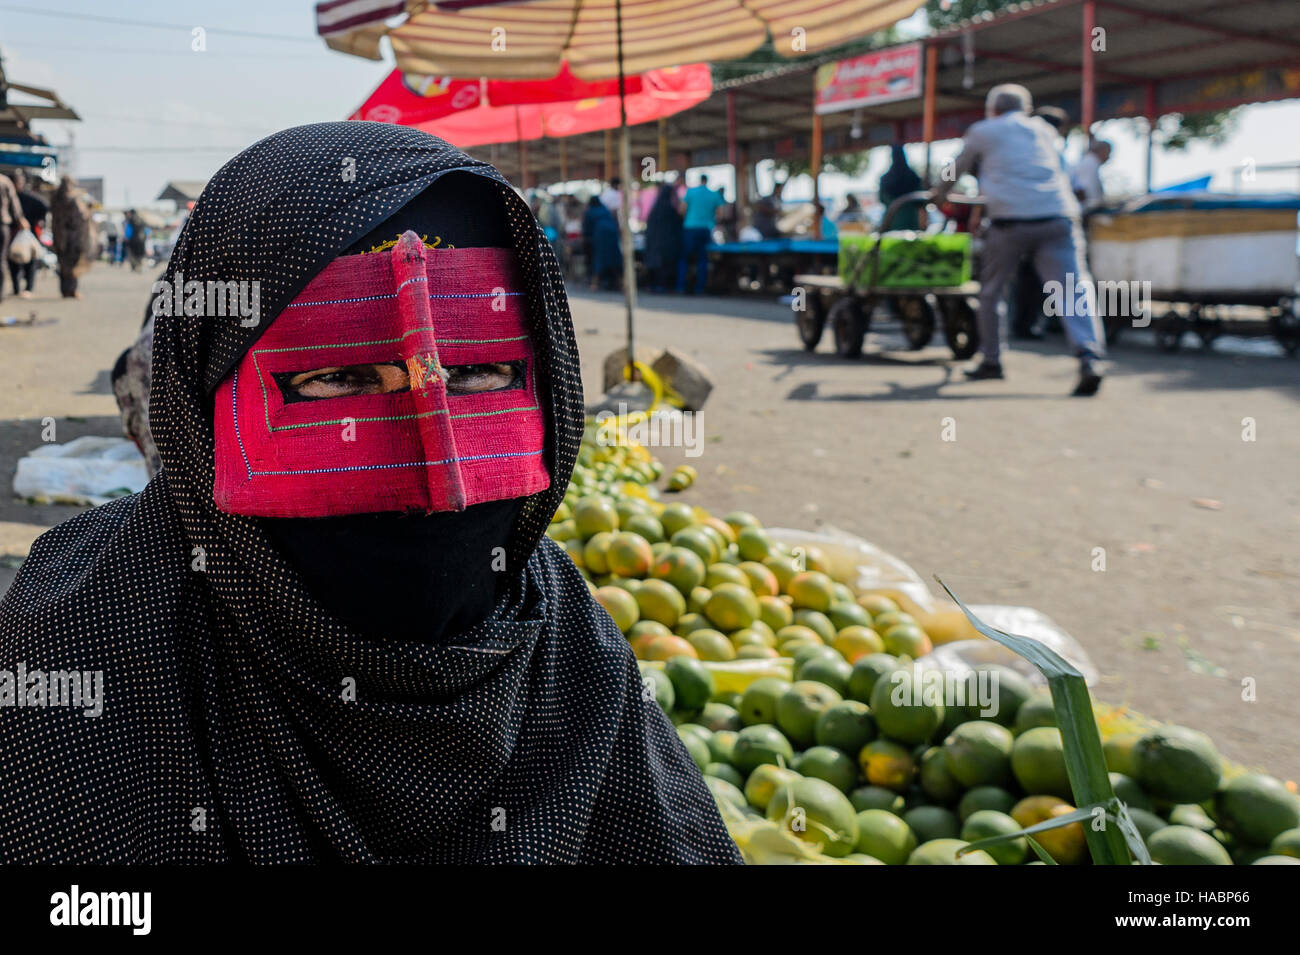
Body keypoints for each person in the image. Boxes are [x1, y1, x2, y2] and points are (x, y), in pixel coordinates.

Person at [0, 121, 743, 864]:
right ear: (201, 407)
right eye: (335, 379)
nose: (443, 487)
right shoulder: (81, 644)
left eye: (479, 374)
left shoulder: (569, 643)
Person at [938, 84, 1105, 396]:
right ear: (1026, 109)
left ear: (993, 110)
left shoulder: (982, 131)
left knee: (991, 291)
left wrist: (938, 196)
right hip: (1058, 217)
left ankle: (991, 361)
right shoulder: (1044, 131)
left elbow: (953, 170)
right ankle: (1089, 357)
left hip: (1009, 222)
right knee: (1072, 289)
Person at [676, 173, 725, 294]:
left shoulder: (691, 192)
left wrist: (688, 218)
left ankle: (681, 287)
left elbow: (682, 210)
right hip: (706, 229)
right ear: (707, 181)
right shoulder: (714, 194)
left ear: (699, 180)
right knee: (702, 259)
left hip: (690, 228)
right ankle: (700, 288)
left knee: (684, 258)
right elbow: (721, 214)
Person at [50, 176, 93, 299]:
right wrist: (88, 210)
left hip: (58, 235)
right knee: (73, 263)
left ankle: (64, 290)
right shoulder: (74, 199)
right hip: (72, 237)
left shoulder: (55, 197)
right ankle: (72, 290)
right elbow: (81, 215)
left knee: (63, 264)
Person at [643, 182, 683, 293]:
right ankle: (662, 286)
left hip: (653, 244)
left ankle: (652, 286)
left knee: (654, 265)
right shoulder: (671, 209)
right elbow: (678, 224)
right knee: (665, 266)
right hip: (666, 245)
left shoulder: (655, 209)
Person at [877, 144, 924, 231]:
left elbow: (881, 199)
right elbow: (921, 203)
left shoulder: (885, 179)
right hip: (911, 223)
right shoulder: (914, 178)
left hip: (891, 222)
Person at [0, 172, 29, 302]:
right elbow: (14, 204)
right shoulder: (4, 181)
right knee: (1, 261)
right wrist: (20, 219)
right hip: (2, 225)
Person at [582, 195, 621, 290]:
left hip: (600, 235)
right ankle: (621, 283)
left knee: (599, 258)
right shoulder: (605, 209)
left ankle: (595, 284)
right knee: (614, 258)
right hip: (612, 234)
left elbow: (586, 228)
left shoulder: (590, 211)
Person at [1071, 140, 1112, 212]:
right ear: (1102, 150)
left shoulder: (1090, 162)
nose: (1108, 157)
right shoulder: (1090, 162)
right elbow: (1081, 188)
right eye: (1108, 153)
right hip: (1087, 209)